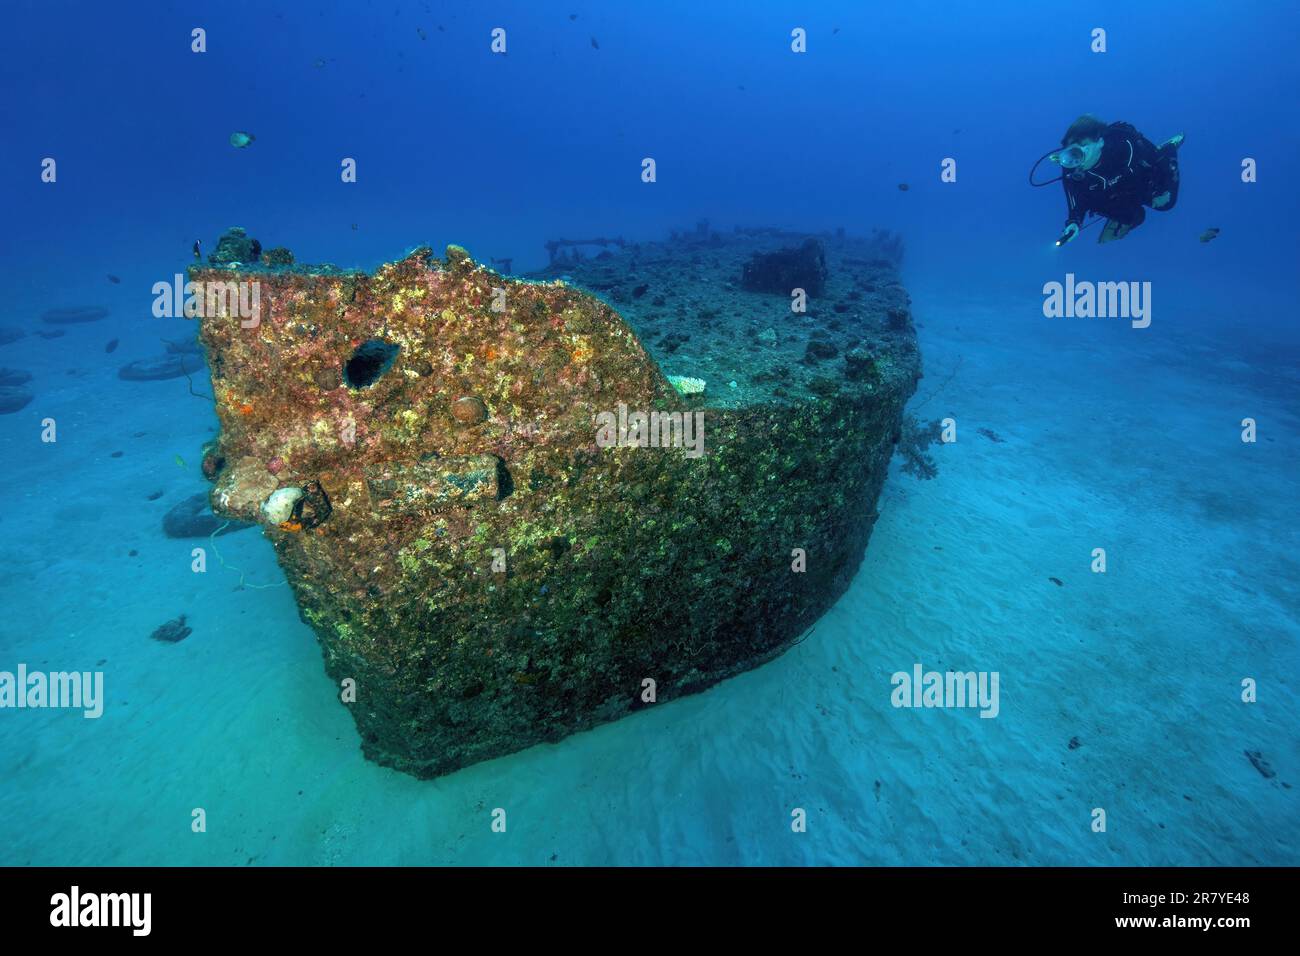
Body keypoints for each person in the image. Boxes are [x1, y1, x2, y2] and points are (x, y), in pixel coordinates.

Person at [1051, 115, 1183, 245]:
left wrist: (1163, 185)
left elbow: (1157, 161)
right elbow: (1075, 200)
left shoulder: (1124, 143)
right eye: (1071, 153)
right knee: (1131, 215)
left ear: (1099, 143)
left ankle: (1169, 148)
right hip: (1115, 189)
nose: (1076, 160)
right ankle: (1130, 215)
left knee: (1165, 204)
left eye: (1081, 150)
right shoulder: (1071, 166)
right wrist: (1074, 222)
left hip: (1141, 177)